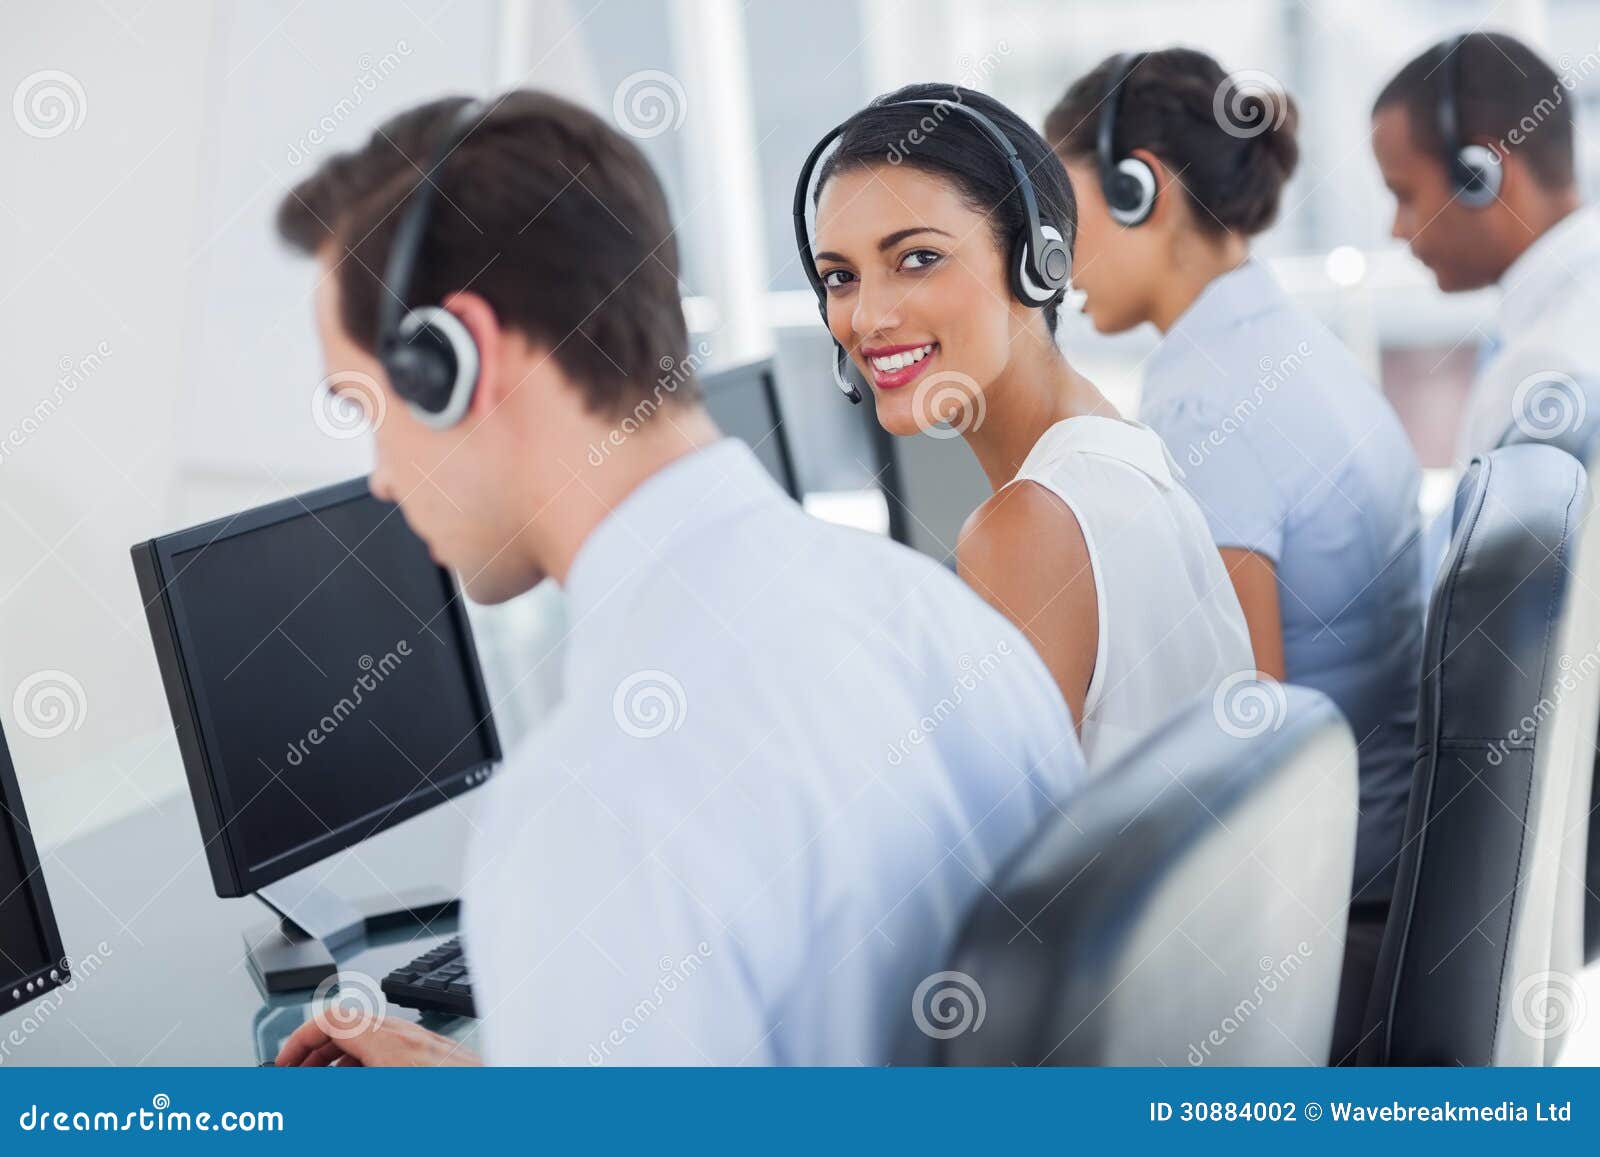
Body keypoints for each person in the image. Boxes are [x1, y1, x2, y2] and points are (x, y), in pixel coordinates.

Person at [270, 91, 1084, 1066]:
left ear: (452, 363)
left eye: (365, 402)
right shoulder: (938, 618)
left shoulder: (590, 805)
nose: (380, 473)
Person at [1046, 47, 1424, 1061]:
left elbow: (1242, 736)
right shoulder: (1287, 343)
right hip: (1387, 866)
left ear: (1140, 188)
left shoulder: (1206, 393)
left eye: (1060, 208)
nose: (1052, 253)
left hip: (1332, 917)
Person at [799, 84, 1253, 773]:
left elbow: (984, 868)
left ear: (1039, 263)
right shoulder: (1121, 450)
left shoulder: (1026, 527)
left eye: (917, 258)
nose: (866, 317)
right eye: (840, 277)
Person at [1372, 31, 1600, 467]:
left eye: (1404, 196)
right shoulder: (1551, 324)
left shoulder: (1543, 370)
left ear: (1480, 176)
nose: (1396, 230)